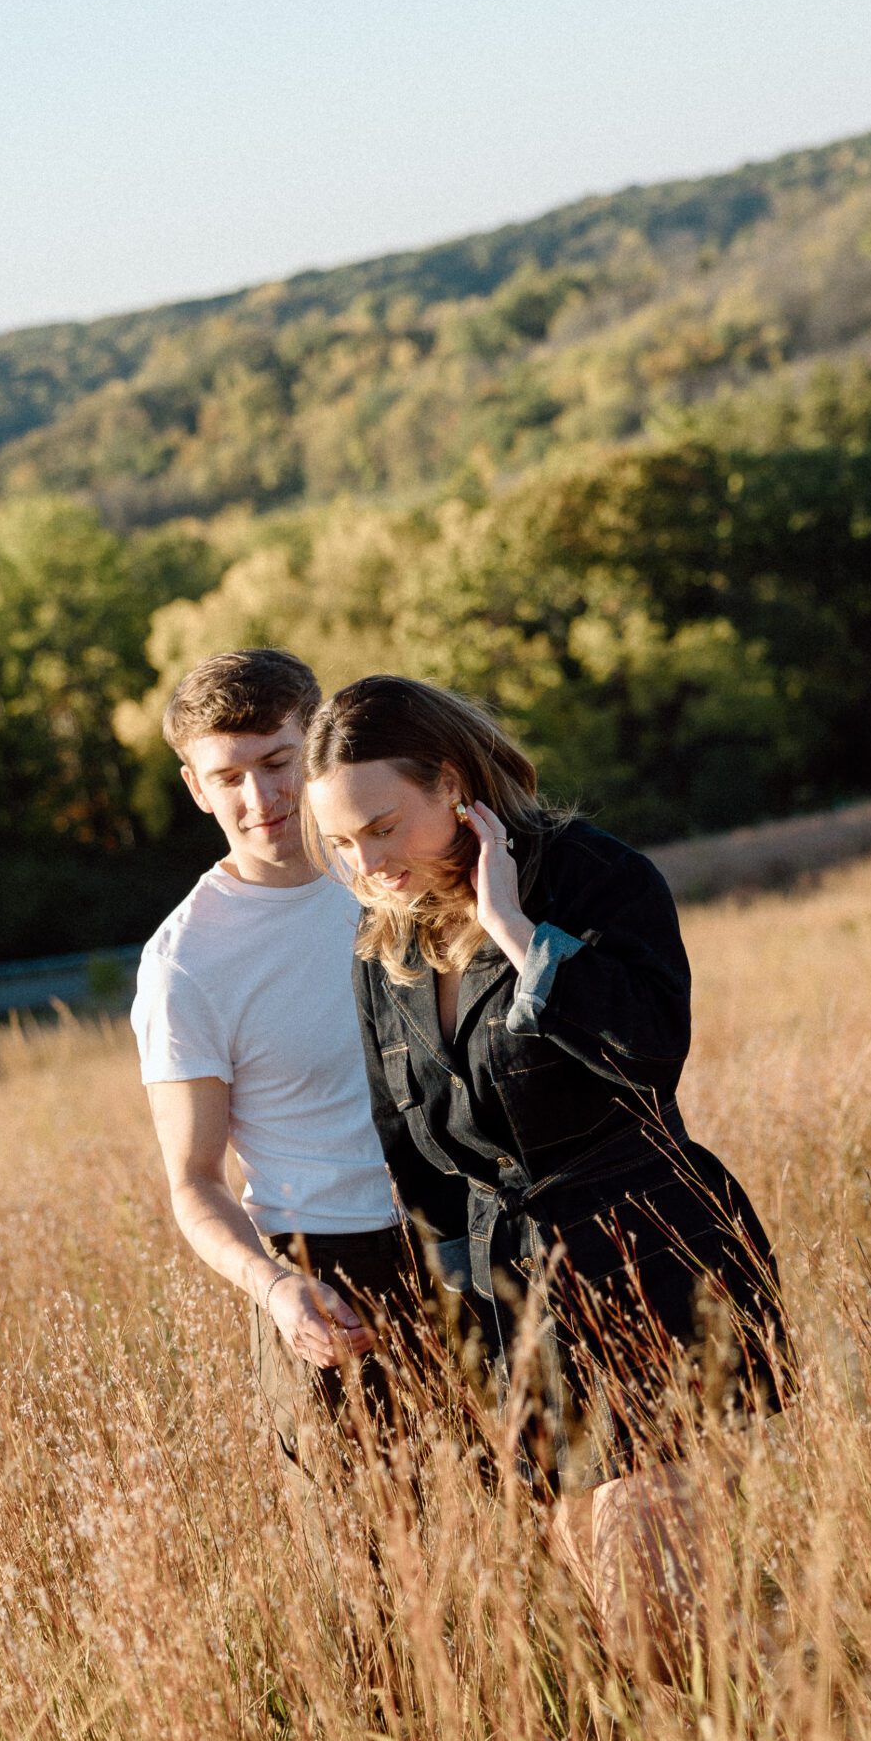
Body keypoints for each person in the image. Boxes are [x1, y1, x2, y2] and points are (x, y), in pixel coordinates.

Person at [303, 674, 790, 1666]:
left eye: (384, 827)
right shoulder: (381, 946)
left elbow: (652, 1048)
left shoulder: (594, 878)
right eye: (343, 844)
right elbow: (412, 1156)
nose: (367, 861)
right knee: (646, 1624)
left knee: (652, 1605)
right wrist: (422, 1322)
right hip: (505, 1312)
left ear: (451, 784)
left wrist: (522, 936)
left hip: (644, 1270)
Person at [131, 647, 455, 1501]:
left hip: (477, 1229)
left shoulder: (394, 864)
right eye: (227, 777)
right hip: (332, 1279)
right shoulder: (185, 965)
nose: (259, 799)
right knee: (380, 1590)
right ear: (195, 787)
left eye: (277, 763)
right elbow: (193, 1181)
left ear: (314, 741)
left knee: (544, 1532)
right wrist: (275, 1289)